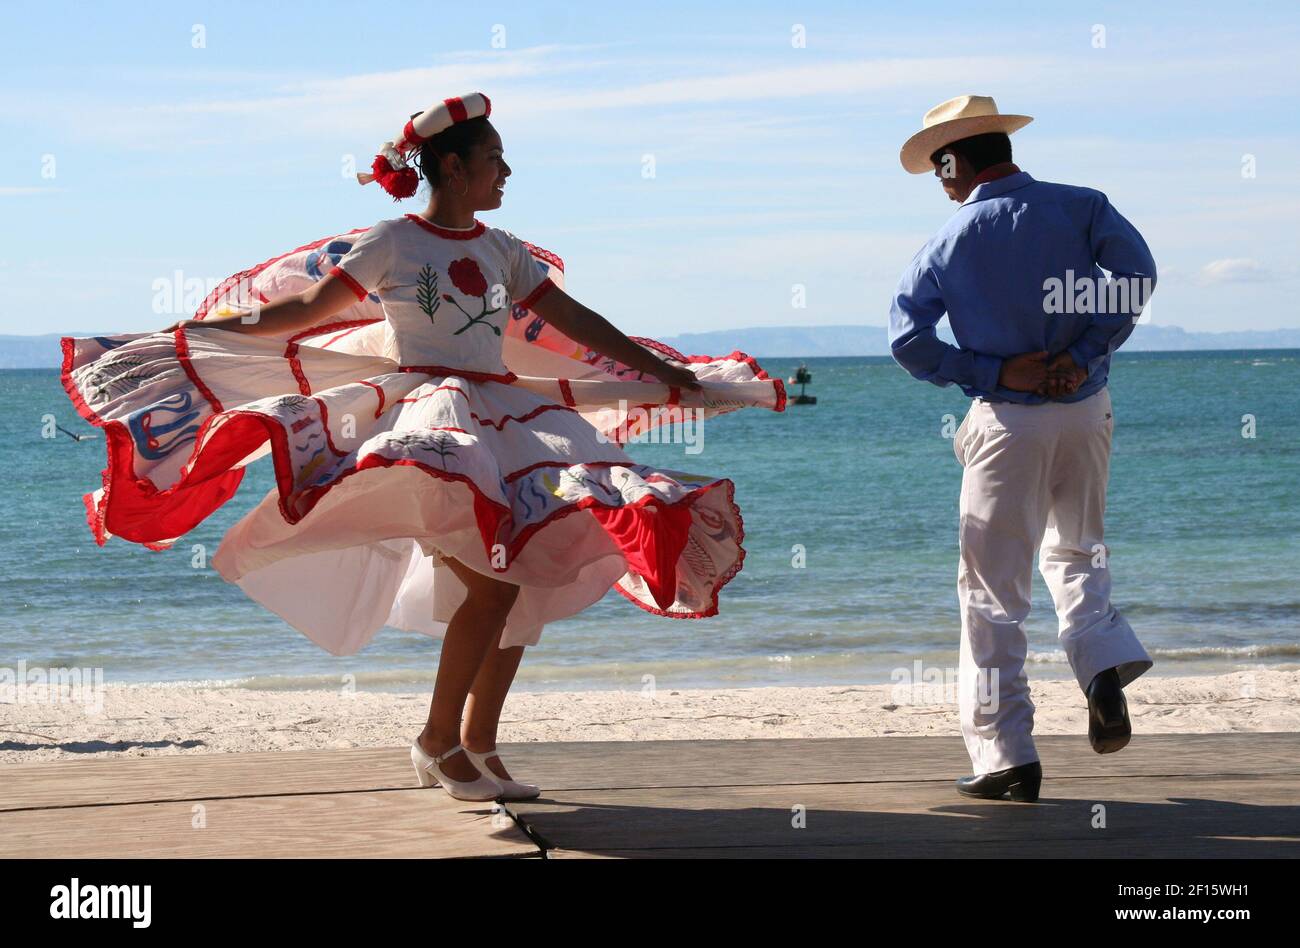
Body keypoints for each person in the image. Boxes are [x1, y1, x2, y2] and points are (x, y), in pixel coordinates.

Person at [61, 92, 784, 802]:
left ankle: (479, 746)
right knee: (497, 582)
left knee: (522, 573)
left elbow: (575, 318)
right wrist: (213, 330)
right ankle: (437, 743)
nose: (507, 173)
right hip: (433, 421)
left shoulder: (503, 251)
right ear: (452, 165)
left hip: (500, 408)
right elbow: (308, 311)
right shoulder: (393, 242)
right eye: (494, 159)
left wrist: (661, 373)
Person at [887, 95, 1157, 802]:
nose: (939, 183)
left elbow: (907, 342)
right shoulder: (1082, 205)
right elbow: (1135, 278)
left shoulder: (947, 242)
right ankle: (1102, 663)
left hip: (1009, 422)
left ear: (954, 163)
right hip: (1086, 408)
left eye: (939, 168)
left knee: (991, 595)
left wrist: (991, 371)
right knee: (1077, 551)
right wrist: (1086, 350)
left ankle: (1007, 755)